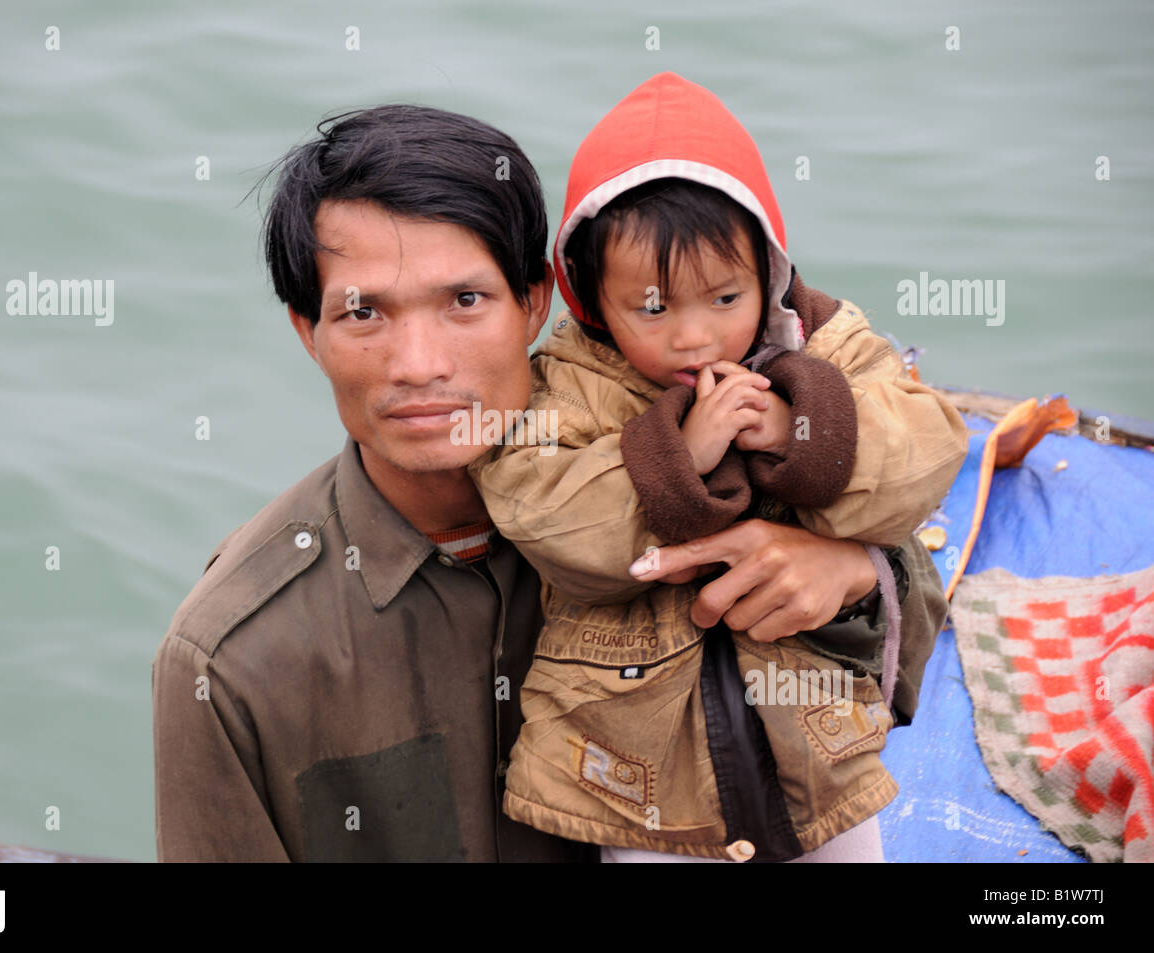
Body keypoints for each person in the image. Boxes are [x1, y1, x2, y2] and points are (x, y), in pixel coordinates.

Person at [151, 101, 951, 862]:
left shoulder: (670, 498)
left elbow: (914, 620)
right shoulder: (230, 659)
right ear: (308, 330)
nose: (419, 364)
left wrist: (854, 574)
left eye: (465, 300)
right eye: (364, 313)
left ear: (538, 302)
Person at [468, 73, 967, 861]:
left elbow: (928, 450)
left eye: (725, 297)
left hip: (820, 747)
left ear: (767, 270)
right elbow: (548, 517)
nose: (695, 337)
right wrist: (681, 456)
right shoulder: (568, 382)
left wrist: (800, 429)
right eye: (654, 308)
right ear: (591, 295)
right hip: (632, 773)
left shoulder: (820, 341)